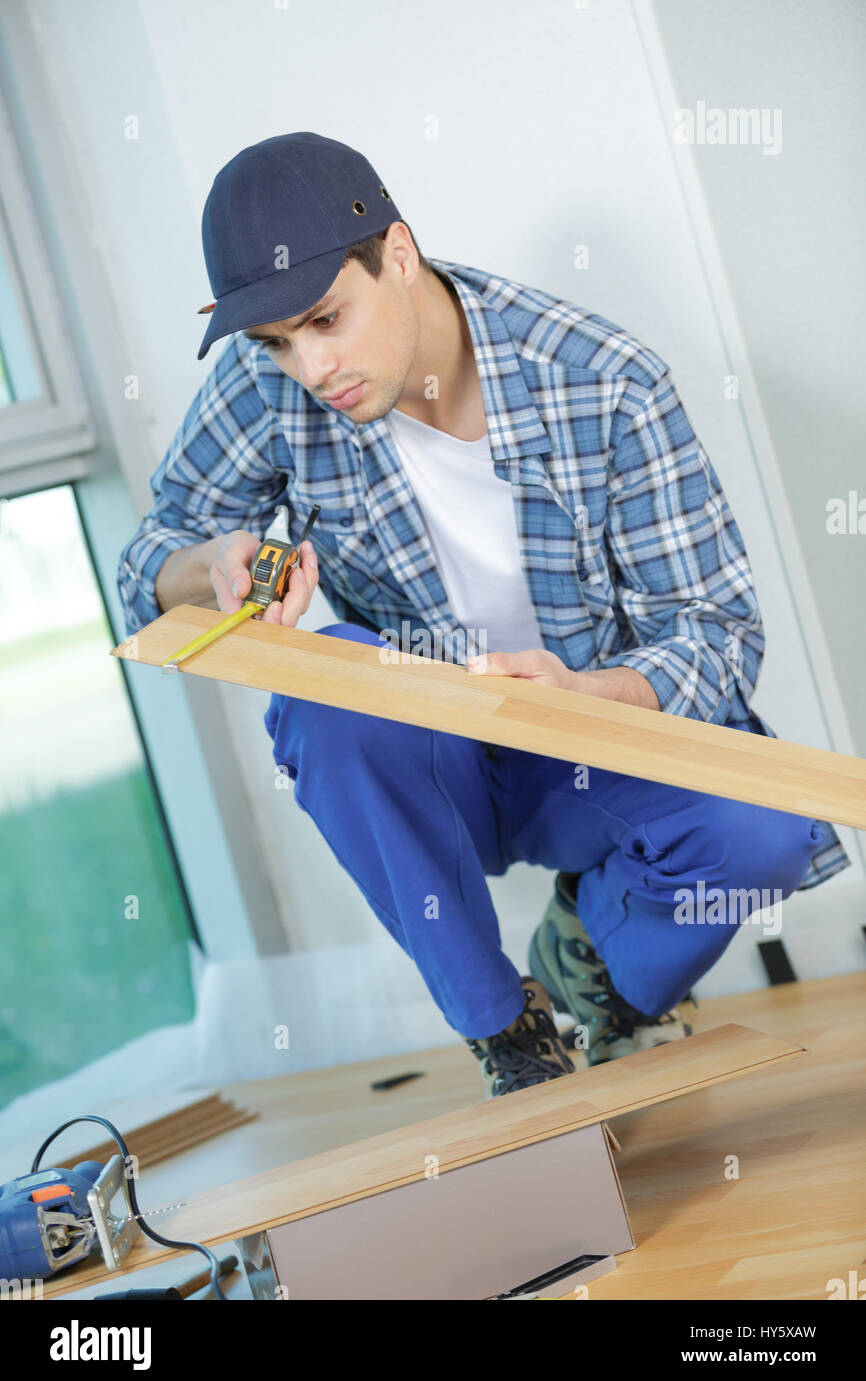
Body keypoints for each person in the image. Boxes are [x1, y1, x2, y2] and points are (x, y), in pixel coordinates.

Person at [118, 132, 849, 1101]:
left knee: (767, 828)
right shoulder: (268, 387)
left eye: (327, 320)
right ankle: (508, 1033)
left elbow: (715, 632)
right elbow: (147, 559)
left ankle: (591, 974)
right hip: (433, 752)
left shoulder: (606, 382)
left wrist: (590, 691)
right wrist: (208, 563)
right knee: (324, 692)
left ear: (401, 255)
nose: (310, 366)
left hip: (591, 735)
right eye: (278, 342)